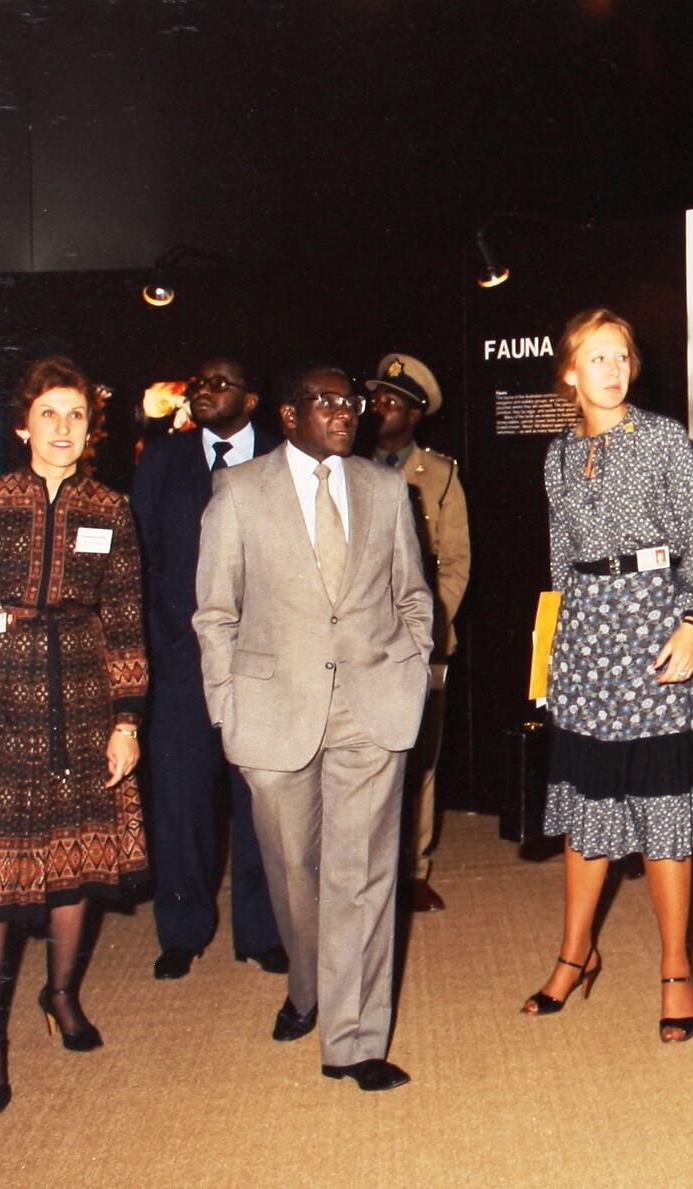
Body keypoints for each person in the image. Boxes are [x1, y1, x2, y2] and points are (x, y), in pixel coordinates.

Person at [193, 362, 433, 1093]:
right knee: (295, 872)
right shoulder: (238, 491)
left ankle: (352, 1041)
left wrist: (412, 669)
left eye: (350, 401)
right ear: (289, 416)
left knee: (361, 876)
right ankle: (308, 987)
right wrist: (226, 709)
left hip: (372, 703)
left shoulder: (388, 489)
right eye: (325, 400)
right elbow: (215, 613)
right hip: (274, 710)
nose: (343, 411)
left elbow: (415, 596)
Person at [0, 356, 149, 1116]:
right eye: (48, 414)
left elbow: (124, 619)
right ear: (23, 425)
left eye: (76, 415)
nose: (62, 428)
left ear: (91, 429)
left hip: (81, 700)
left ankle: (59, 993)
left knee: (73, 856)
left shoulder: (111, 508)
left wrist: (126, 720)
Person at [522, 309, 693, 1043]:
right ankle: (576, 952)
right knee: (589, 807)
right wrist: (550, 659)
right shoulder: (558, 457)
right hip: (584, 641)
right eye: (596, 357)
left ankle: (675, 967)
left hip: (657, 629)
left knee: (664, 806)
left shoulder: (666, 440)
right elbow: (556, 565)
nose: (612, 369)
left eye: (622, 356)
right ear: (569, 373)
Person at [132, 357, 287, 981]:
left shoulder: (284, 458)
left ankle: (263, 930)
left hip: (263, 663)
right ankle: (182, 928)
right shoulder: (162, 459)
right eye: (198, 384)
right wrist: (154, 646)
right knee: (180, 801)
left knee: (261, 801)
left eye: (219, 384)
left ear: (250, 401)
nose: (203, 392)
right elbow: (139, 556)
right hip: (180, 664)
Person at [366, 352, 470, 913]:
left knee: (421, 758)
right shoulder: (346, 466)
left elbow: (455, 565)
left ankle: (414, 868)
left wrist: (424, 629)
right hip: (357, 644)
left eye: (392, 401)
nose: (379, 408)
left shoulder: (440, 474)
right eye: (375, 397)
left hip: (421, 642)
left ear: (415, 413)